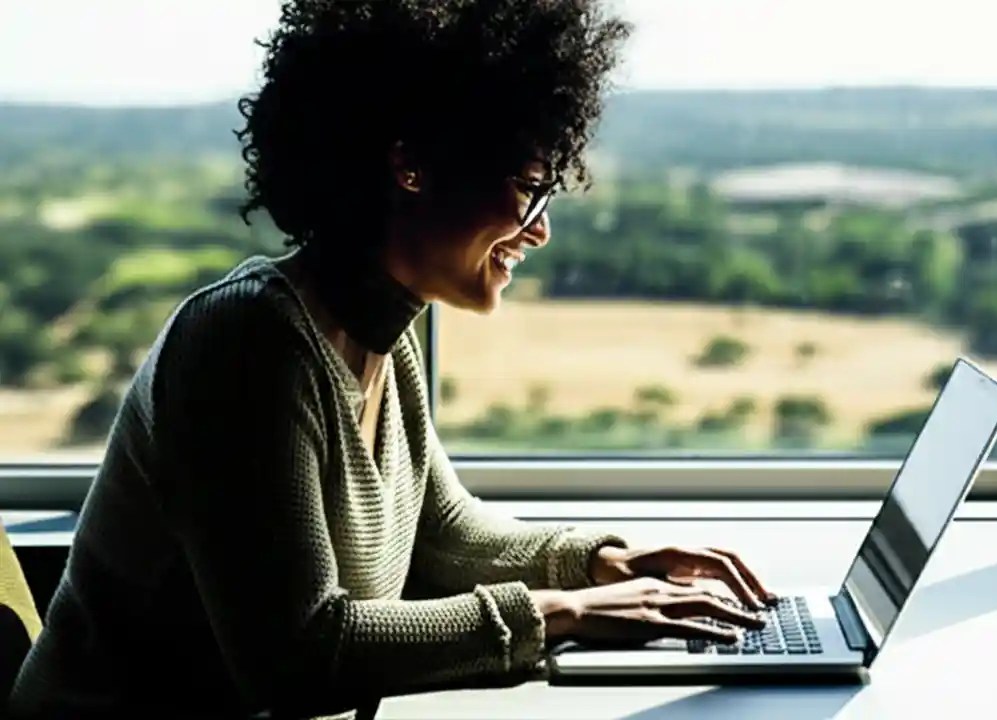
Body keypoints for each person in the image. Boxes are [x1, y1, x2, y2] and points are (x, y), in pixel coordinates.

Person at [9, 1, 774, 718]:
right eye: (528, 188)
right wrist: (561, 612)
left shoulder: (377, 332)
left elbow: (443, 538)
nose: (538, 231)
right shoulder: (248, 345)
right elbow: (297, 654)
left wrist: (603, 562)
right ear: (412, 167)